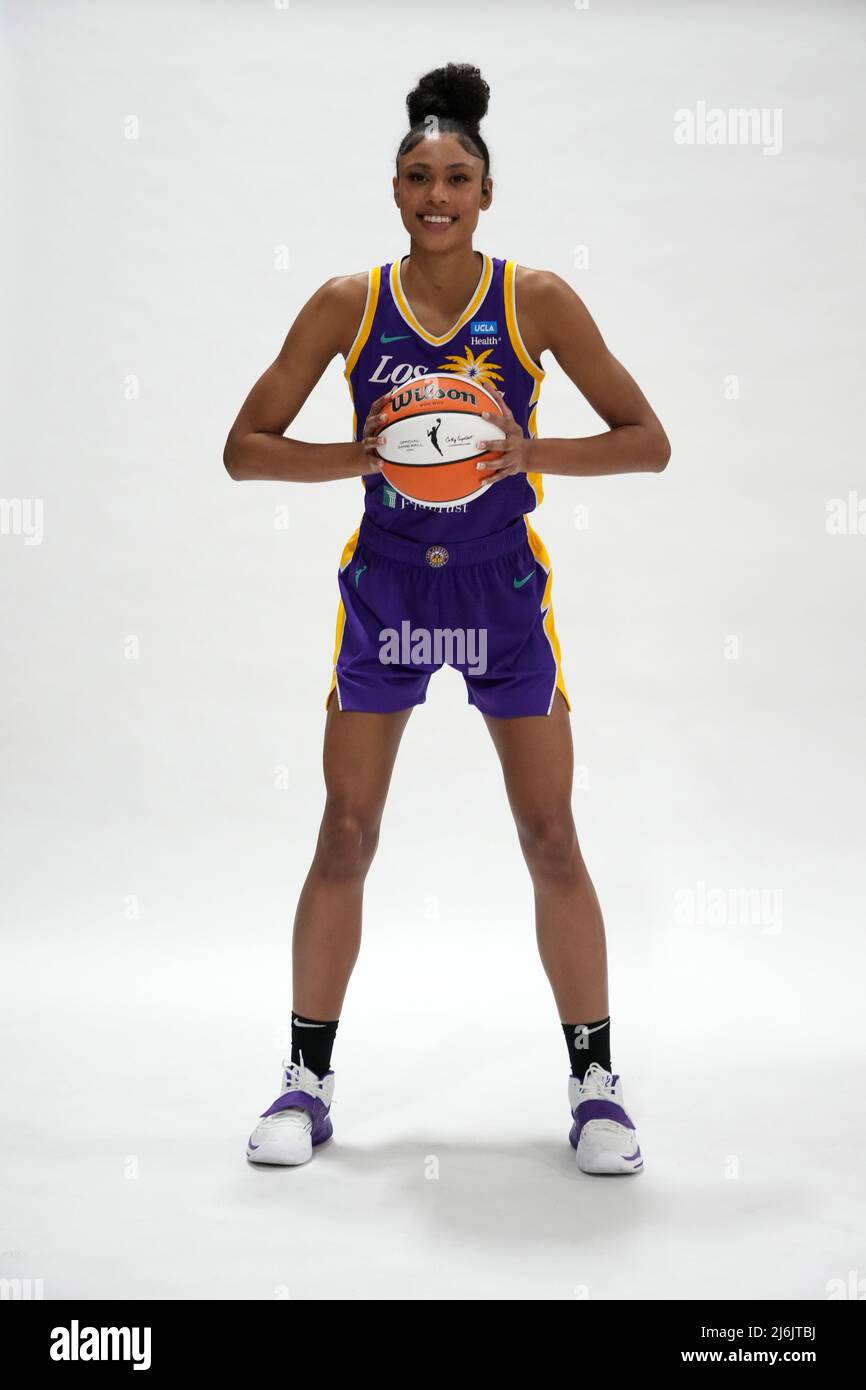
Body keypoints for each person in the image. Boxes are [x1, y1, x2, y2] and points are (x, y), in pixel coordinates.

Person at [224, 62, 670, 1175]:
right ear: (394, 188)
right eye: (419, 177)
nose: (437, 195)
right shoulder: (347, 302)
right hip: (387, 591)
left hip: (499, 589)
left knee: (550, 834)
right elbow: (245, 449)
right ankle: (305, 1082)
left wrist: (531, 451)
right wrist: (361, 457)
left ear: (486, 192)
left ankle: (596, 1088)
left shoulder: (535, 299)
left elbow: (647, 440)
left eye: (456, 178)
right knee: (345, 831)